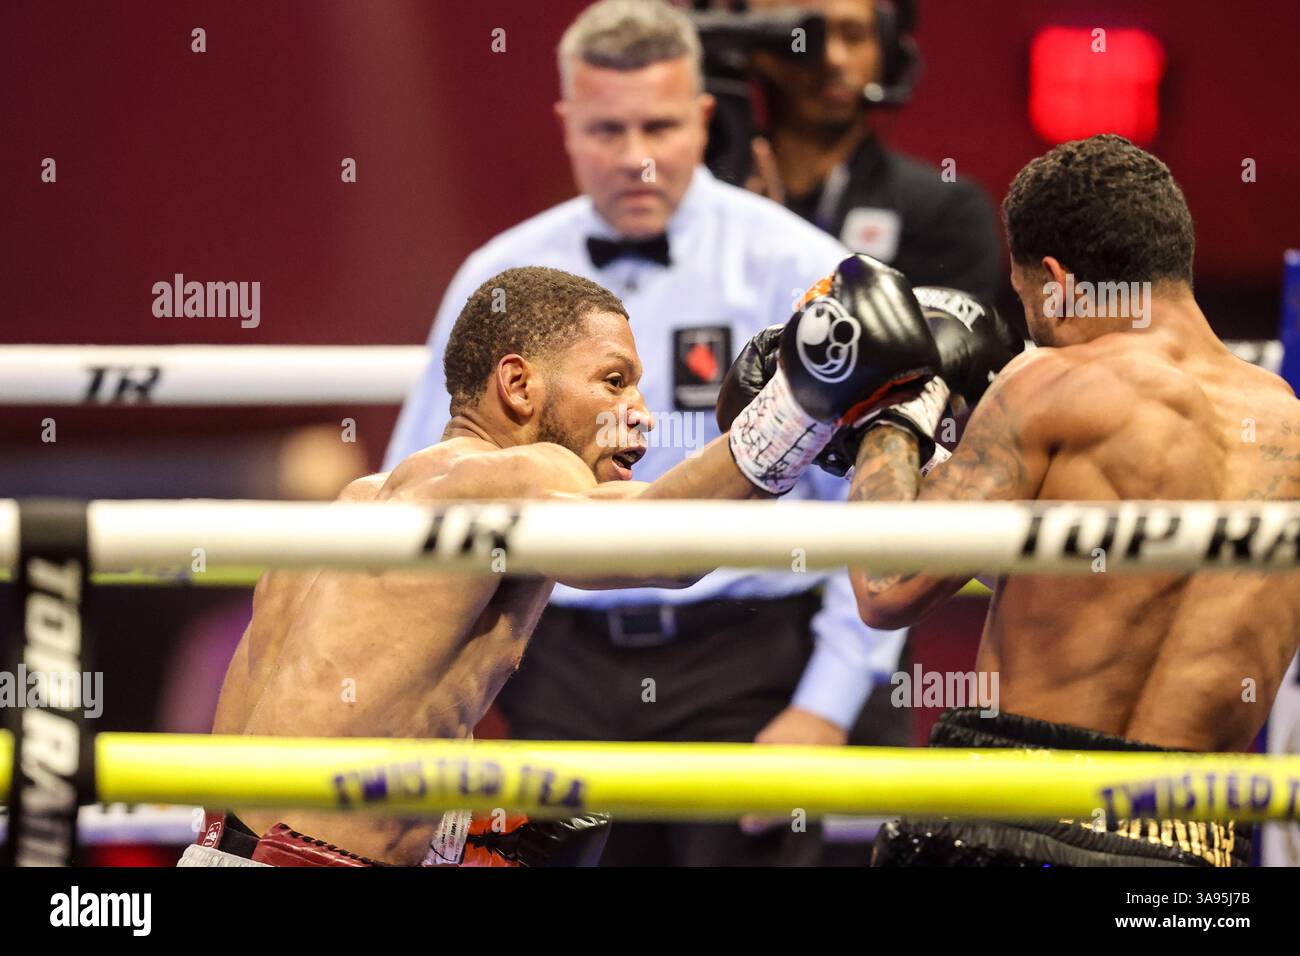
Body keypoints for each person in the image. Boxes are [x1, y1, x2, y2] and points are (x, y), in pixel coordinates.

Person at [185, 263, 933, 867]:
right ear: (518, 386)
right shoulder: (514, 475)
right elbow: (663, 546)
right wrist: (806, 399)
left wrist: (449, 839)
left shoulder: (361, 504)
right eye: (613, 380)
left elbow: (327, 743)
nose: (640, 411)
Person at [386, 0, 907, 866]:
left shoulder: (795, 265)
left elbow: (883, 508)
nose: (635, 157)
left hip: (749, 660)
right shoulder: (498, 280)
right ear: (566, 127)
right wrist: (437, 706)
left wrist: (824, 703)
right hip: (556, 659)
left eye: (660, 126)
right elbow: (419, 492)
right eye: (607, 129)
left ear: (705, 118)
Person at [726, 134, 1300, 866]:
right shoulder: (1288, 426)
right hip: (1193, 843)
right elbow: (1105, 599)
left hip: (1013, 811)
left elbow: (885, 586)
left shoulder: (1050, 386)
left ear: (1056, 280)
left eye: (1029, 303)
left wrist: (895, 413)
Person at [743, 0, 1002, 301]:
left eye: (853, 36)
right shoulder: (702, 195)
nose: (833, 58)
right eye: (806, 36)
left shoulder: (946, 211)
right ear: (761, 51)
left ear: (888, 52)